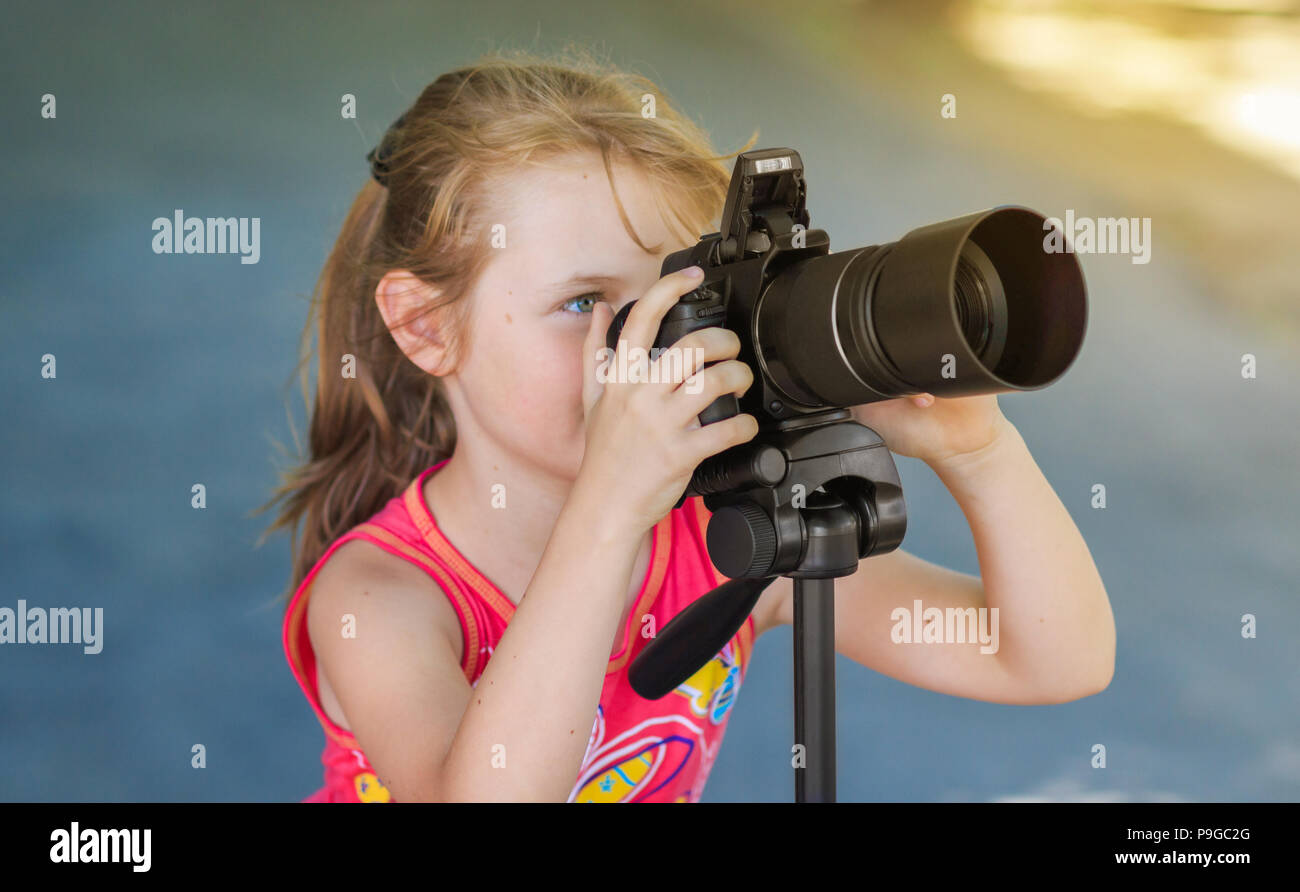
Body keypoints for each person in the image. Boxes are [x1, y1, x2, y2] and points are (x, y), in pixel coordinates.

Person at [259, 47, 1115, 803]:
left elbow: (1049, 659)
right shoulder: (381, 600)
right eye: (584, 302)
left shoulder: (719, 543)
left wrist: (983, 454)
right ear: (426, 327)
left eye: (678, 296)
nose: (647, 342)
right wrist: (609, 508)